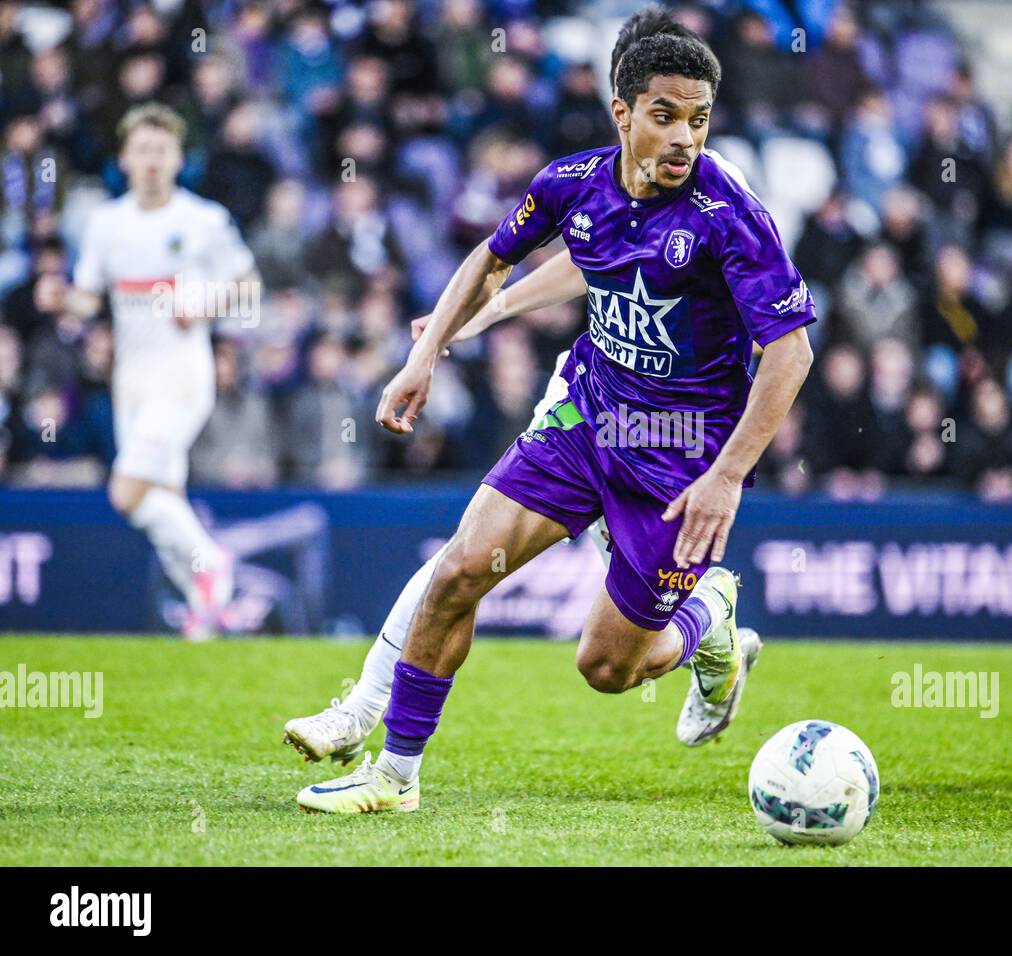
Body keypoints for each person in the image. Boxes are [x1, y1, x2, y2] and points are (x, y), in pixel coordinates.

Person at [293, 19, 814, 814]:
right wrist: (429, 349)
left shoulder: (727, 212)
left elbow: (792, 352)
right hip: (588, 417)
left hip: (678, 459)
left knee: (608, 669)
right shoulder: (576, 182)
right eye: (666, 115)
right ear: (621, 112)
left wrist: (728, 477)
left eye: (699, 118)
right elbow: (497, 257)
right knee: (462, 568)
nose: (684, 137)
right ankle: (392, 776)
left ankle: (711, 613)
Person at [44, 103, 256, 640]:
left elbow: (247, 287)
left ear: (179, 158)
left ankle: (214, 565)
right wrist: (62, 298)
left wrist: (205, 305)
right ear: (124, 158)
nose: (153, 160)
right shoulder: (106, 223)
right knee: (158, 500)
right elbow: (90, 300)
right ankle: (204, 616)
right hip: (130, 381)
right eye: (142, 149)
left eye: (162, 150)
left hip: (183, 377)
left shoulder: (202, 220)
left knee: (125, 491)